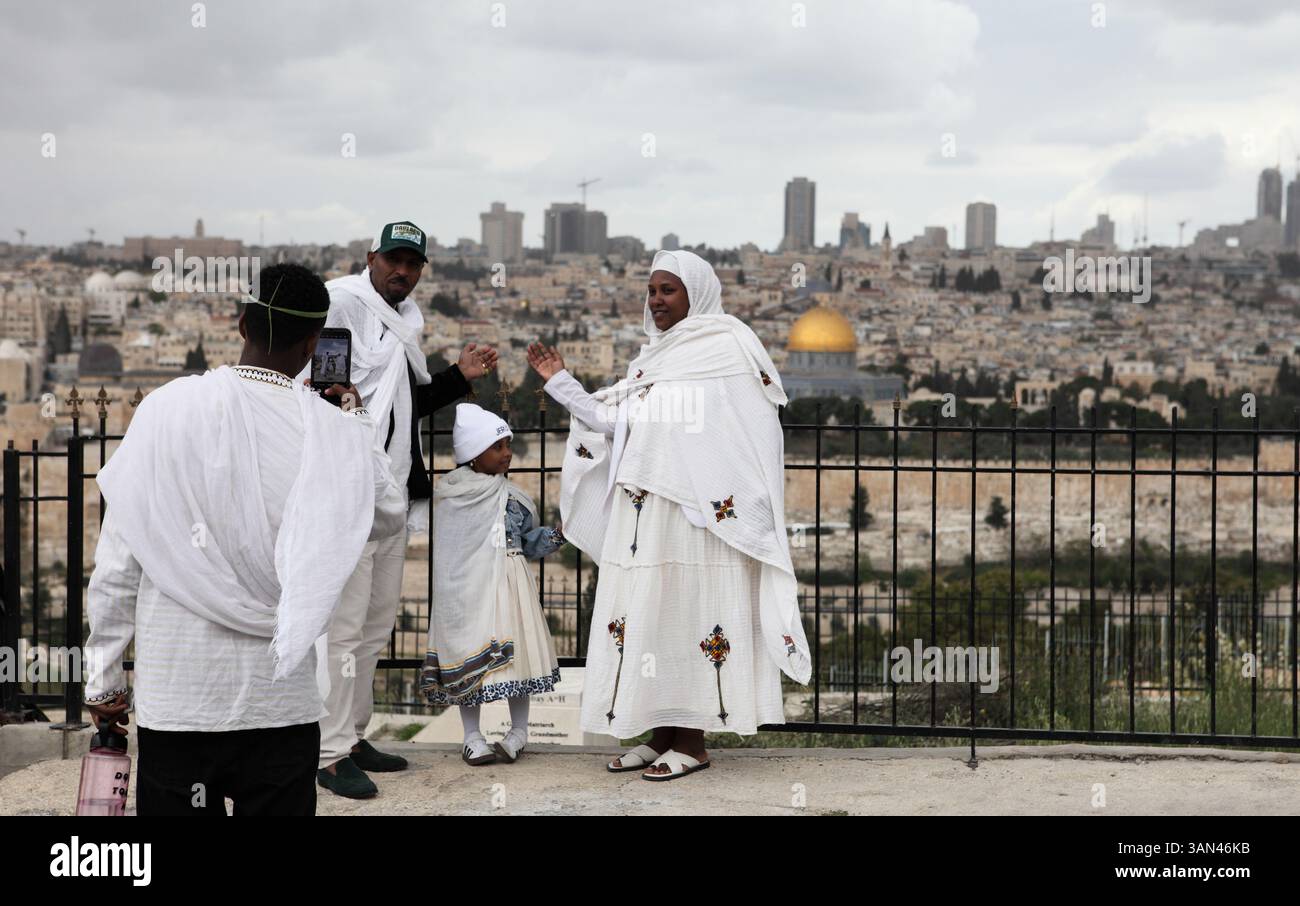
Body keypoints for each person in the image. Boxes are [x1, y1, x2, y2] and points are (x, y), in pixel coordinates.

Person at [84, 263, 405, 815]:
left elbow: (118, 559)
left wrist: (103, 679)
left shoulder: (165, 409)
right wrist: (353, 420)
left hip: (180, 702)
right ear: (312, 344)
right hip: (279, 704)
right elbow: (387, 511)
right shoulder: (329, 428)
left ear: (240, 324)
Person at [527, 248, 811, 781]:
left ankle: (693, 741)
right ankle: (659, 735)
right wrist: (560, 382)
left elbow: (744, 434)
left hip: (697, 518)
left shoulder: (724, 349)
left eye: (668, 290)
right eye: (652, 290)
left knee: (691, 617)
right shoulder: (654, 358)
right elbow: (619, 420)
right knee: (649, 616)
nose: (656, 300)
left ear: (695, 294)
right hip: (645, 517)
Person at [310, 221, 499, 799]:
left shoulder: (406, 322)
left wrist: (459, 379)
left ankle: (354, 735)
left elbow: (405, 403)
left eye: (413, 264)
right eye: (393, 260)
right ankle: (328, 749)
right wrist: (340, 398)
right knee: (341, 631)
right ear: (370, 257)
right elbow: (322, 383)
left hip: (392, 491)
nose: (403, 271)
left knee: (372, 627)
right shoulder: (342, 303)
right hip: (348, 492)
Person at [418, 404, 564, 765]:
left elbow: (527, 543)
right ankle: (472, 737)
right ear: (473, 454)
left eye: (508, 445)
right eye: (498, 446)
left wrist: (557, 535)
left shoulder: (512, 497)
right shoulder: (452, 497)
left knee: (516, 663)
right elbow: (453, 555)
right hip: (469, 592)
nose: (507, 453)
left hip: (511, 589)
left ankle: (518, 734)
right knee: (471, 659)